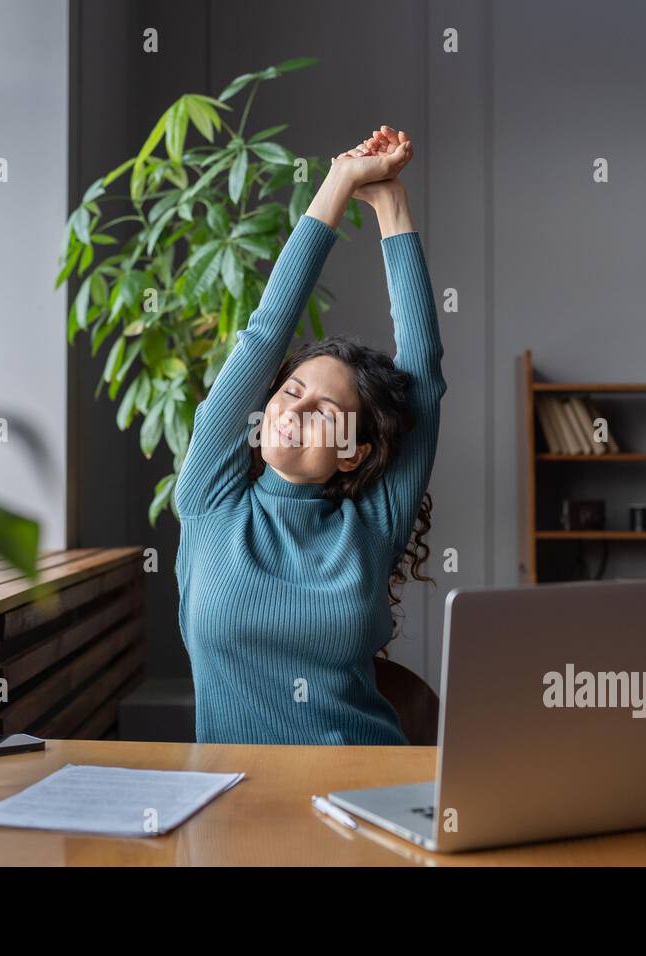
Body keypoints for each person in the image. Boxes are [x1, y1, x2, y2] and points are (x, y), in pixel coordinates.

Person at [173, 125, 447, 745]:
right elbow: (266, 333)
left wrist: (391, 205)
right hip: (234, 802)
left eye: (325, 409)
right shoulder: (210, 499)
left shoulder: (372, 526)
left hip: (366, 787)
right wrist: (339, 181)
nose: (295, 409)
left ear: (354, 449)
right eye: (291, 391)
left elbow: (423, 376)